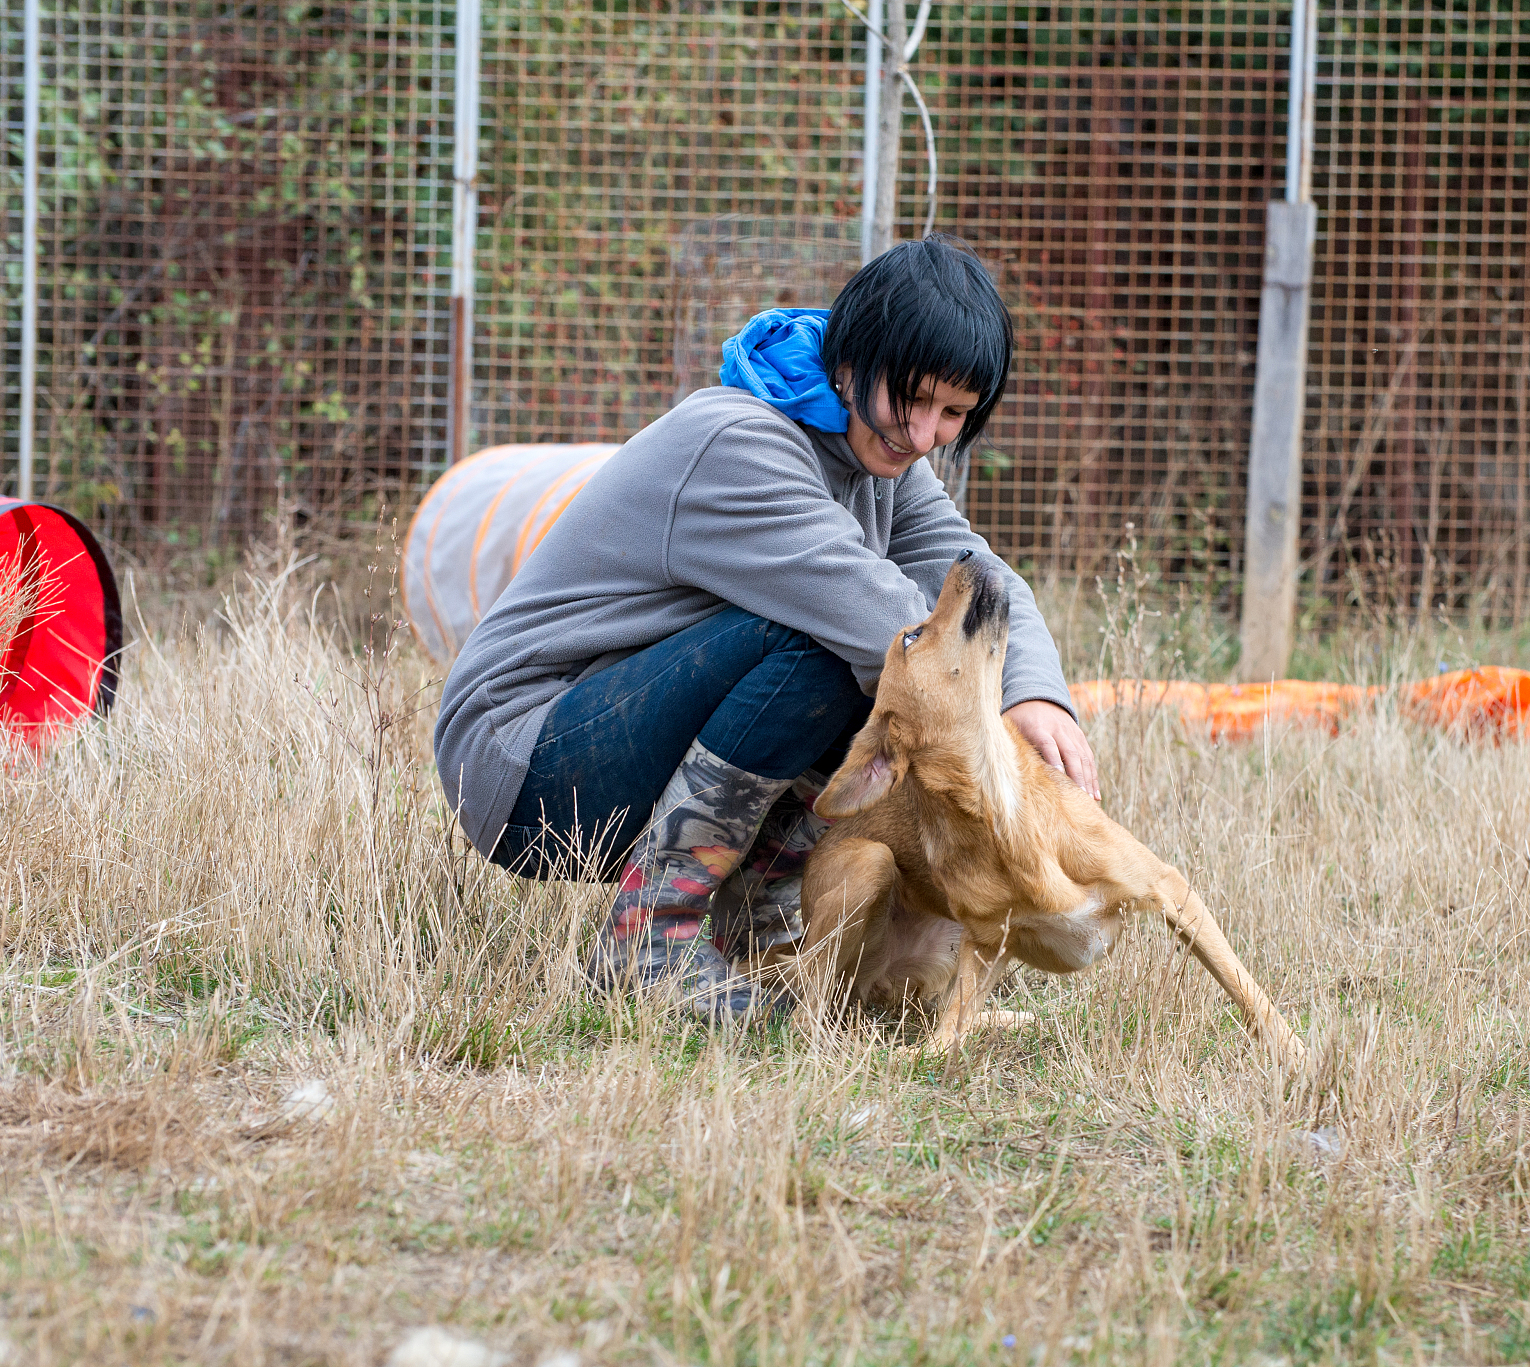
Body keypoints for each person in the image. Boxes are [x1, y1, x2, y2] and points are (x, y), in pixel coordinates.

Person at [432, 234, 1099, 1021]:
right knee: (834, 649)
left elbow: (979, 578)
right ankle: (649, 937)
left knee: (863, 663)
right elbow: (889, 623)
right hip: (525, 762)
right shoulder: (738, 443)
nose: (923, 435)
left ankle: (764, 931)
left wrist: (1036, 696)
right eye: (912, 400)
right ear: (850, 364)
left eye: (952, 413)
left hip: (615, 738)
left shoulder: (887, 465)